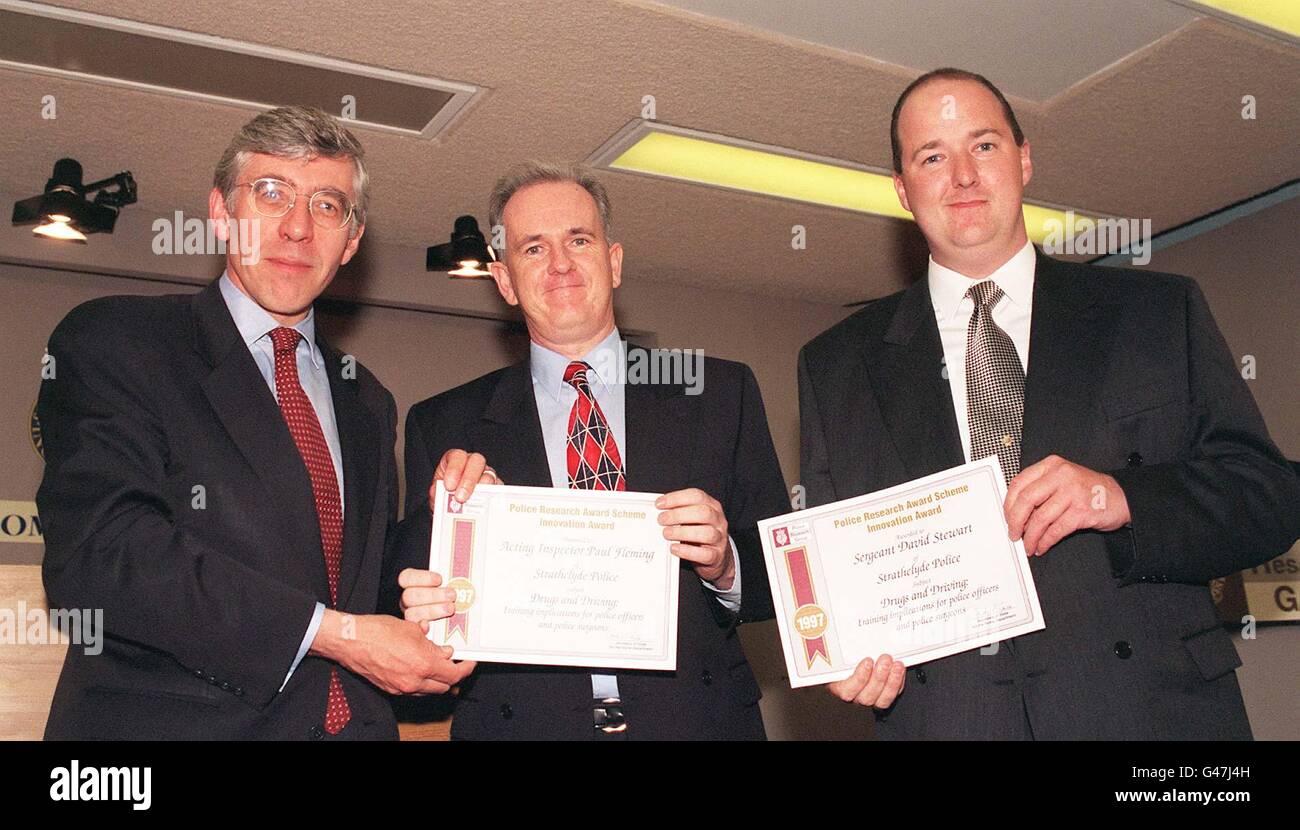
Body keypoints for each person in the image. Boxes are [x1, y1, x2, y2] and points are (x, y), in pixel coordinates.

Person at [799, 68, 1300, 739]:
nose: (963, 177)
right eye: (932, 157)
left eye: (983, 146)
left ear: (1024, 159)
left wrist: (1121, 498)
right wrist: (836, 651)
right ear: (902, 190)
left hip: (1150, 721)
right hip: (949, 721)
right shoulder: (835, 364)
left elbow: (1267, 498)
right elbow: (828, 570)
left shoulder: (1157, 311)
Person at [37, 106, 470, 740]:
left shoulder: (367, 401)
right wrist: (336, 636)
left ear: (351, 242)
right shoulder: (118, 339)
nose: (298, 228)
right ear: (220, 213)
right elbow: (105, 557)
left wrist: (457, 521)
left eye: (327, 205)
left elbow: (363, 587)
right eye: (271, 194)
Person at [394, 162, 788, 739]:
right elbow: (406, 602)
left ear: (614, 261)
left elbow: (780, 581)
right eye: (533, 248)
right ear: (503, 281)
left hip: (699, 722)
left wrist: (725, 561)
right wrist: (445, 533)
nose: (559, 264)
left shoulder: (719, 394)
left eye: (579, 240)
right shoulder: (444, 425)